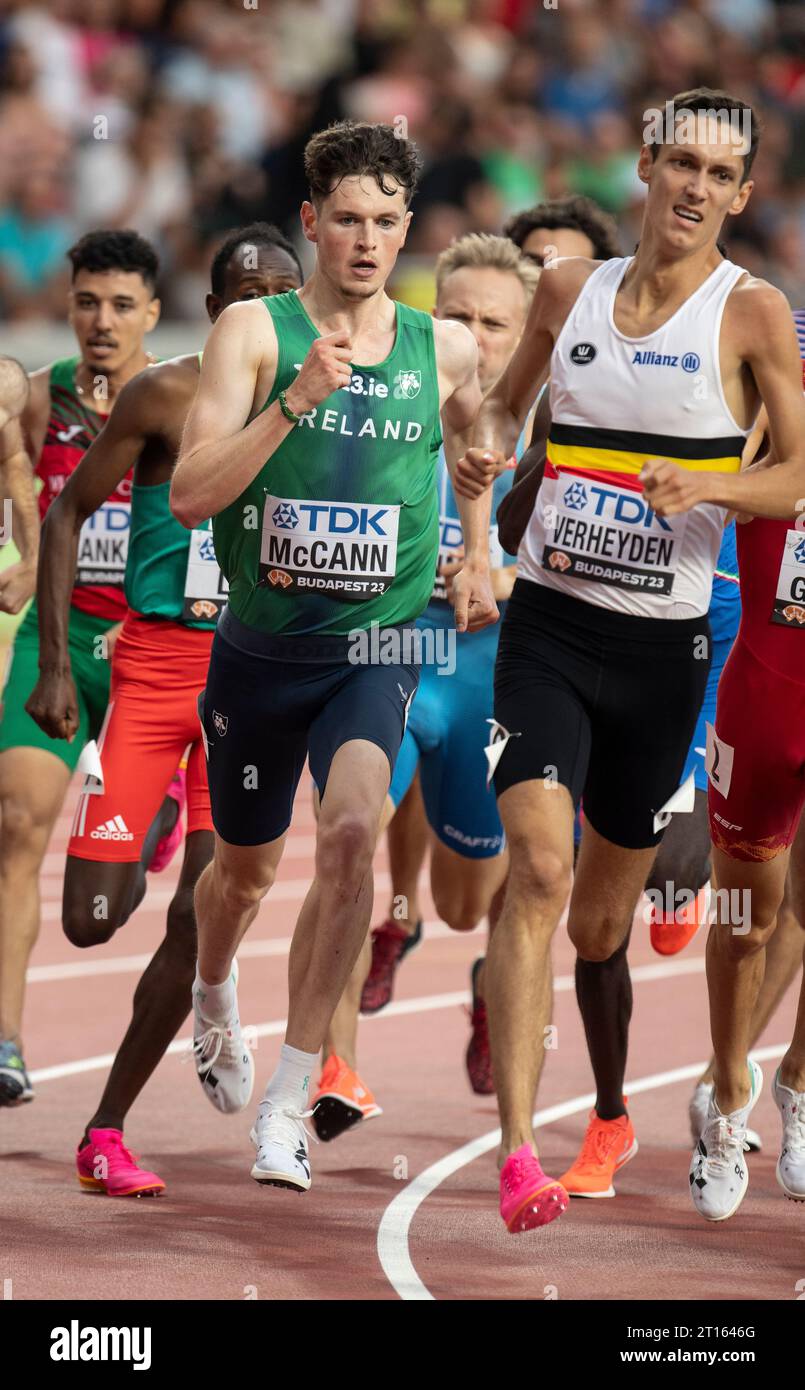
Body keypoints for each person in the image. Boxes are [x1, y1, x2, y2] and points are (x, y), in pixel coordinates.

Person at [455, 87, 805, 1233]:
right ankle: (516, 1149)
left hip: (662, 654)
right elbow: (508, 414)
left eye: (720, 173)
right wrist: (487, 459)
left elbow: (795, 477)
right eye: (680, 164)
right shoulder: (571, 288)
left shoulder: (751, 316)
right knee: (538, 875)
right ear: (644, 170)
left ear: (741, 195)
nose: (696, 187)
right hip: (549, 627)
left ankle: (666, 1090)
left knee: (602, 925)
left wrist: (709, 483)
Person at [171, 120, 497, 1194]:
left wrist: (477, 546)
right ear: (311, 223)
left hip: (384, 638)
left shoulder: (439, 345)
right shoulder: (254, 336)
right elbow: (191, 494)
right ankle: (214, 994)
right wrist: (294, 402)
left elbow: (474, 436)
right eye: (347, 219)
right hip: (262, 647)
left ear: (408, 229)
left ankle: (290, 1097)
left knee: (354, 829)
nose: (366, 240)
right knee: (242, 876)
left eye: (386, 222)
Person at [26, 224, 303, 1194]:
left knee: (198, 910)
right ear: (214, 305)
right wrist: (58, 662)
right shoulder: (166, 393)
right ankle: (159, 823)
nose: (260, 310)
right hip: (149, 670)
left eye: (279, 294)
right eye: (242, 294)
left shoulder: (327, 404)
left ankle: (105, 1127)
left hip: (249, 678)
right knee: (92, 919)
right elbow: (64, 512)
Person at [316, 233, 538, 1130]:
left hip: (488, 674)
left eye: (495, 323)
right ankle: (330, 1070)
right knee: (346, 832)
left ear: (527, 336)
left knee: (463, 902)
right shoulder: (386, 410)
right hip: (390, 653)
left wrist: (502, 576)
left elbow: (590, 569)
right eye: (456, 316)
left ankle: (486, 976)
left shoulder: (548, 435)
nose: (474, 337)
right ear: (427, 317)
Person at [0, 230, 161, 1106]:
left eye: (121, 305)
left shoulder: (178, 395)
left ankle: (153, 822)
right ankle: (6, 1040)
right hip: (54, 644)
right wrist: (23, 559)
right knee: (18, 821)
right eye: (87, 302)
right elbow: (18, 493)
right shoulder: (36, 398)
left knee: (112, 891)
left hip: (148, 655)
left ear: (153, 314)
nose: (102, 322)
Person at [686, 306, 805, 1220]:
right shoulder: (783, 343)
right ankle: (727, 1093)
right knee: (741, 921)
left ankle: (795, 1086)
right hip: (764, 700)